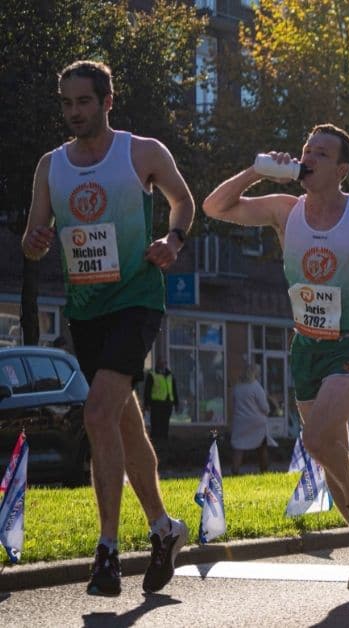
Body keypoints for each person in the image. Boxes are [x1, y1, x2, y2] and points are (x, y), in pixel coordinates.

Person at [202, 123, 349, 590]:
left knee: (318, 440)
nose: (308, 158)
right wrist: (257, 171)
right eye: (305, 150)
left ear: (340, 169)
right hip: (306, 347)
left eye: (321, 153)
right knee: (329, 452)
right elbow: (214, 207)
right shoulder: (284, 209)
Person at [21, 61, 194, 597]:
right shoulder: (51, 166)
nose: (74, 113)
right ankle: (165, 529)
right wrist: (33, 243)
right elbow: (34, 232)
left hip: (136, 300)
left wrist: (173, 241)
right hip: (86, 309)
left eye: (84, 102)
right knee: (123, 425)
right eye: (67, 103)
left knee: (96, 412)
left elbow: (182, 202)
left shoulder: (142, 152)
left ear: (106, 101)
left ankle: (108, 552)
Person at [231, 364, 273, 474]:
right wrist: (268, 411)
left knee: (238, 447)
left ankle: (234, 472)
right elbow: (264, 407)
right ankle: (264, 471)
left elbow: (234, 405)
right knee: (262, 448)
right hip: (256, 423)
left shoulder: (237, 387)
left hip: (240, 423)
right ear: (255, 373)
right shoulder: (256, 387)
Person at [143, 362, 178, 455]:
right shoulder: (152, 375)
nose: (163, 365)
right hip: (156, 403)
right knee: (156, 423)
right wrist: (147, 404)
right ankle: (155, 444)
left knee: (165, 424)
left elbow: (174, 389)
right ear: (157, 364)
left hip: (167, 403)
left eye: (164, 363)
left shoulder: (170, 375)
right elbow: (147, 390)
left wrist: (176, 403)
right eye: (161, 363)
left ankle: (164, 443)